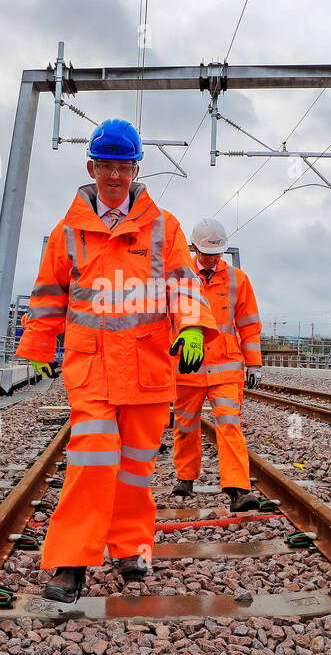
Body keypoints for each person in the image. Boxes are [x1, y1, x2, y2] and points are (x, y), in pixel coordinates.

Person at [17, 118, 217, 603]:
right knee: (92, 459)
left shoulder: (162, 228)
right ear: (91, 166)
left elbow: (184, 285)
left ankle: (130, 546)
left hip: (148, 369)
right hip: (94, 369)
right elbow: (48, 296)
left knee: (135, 466)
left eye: (122, 165)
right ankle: (71, 560)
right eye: (105, 164)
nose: (113, 175)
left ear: (135, 170)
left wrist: (191, 326)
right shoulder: (66, 233)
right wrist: (40, 344)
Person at [170, 217, 263, 512]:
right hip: (188, 366)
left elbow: (249, 326)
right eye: (206, 252)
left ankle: (238, 489)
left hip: (225, 366)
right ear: (194, 248)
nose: (211, 258)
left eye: (217, 252)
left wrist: (254, 365)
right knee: (185, 424)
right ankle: (186, 477)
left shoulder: (238, 279)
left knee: (229, 424)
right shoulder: (179, 278)